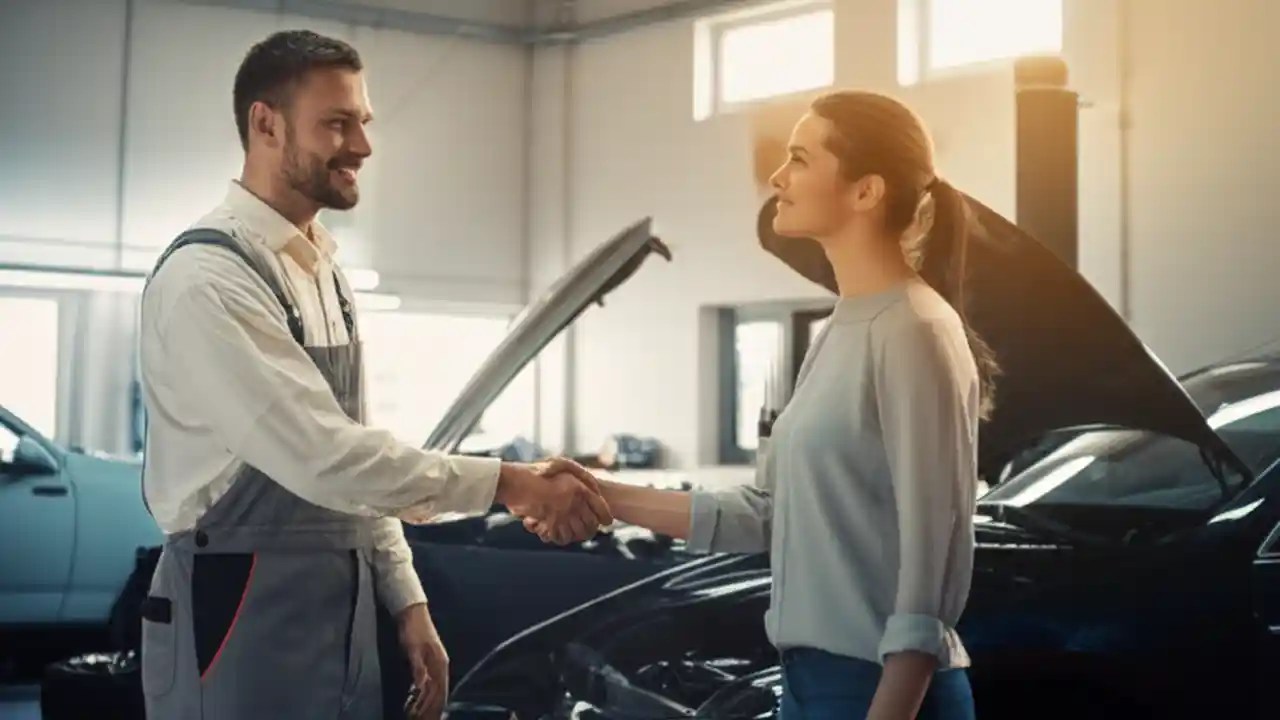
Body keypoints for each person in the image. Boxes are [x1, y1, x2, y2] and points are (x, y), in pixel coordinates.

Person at [137, 30, 611, 720]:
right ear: (264, 124)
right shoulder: (208, 279)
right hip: (232, 615)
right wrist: (508, 483)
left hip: (339, 612)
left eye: (363, 122)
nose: (362, 145)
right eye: (337, 123)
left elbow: (355, 455)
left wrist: (405, 598)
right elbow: (324, 457)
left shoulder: (323, 272)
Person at [528, 90, 997, 719]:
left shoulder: (915, 328)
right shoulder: (838, 331)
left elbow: (934, 556)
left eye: (800, 158)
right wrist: (601, 494)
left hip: (882, 692)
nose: (777, 176)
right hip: (810, 681)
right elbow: (768, 515)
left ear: (866, 192)